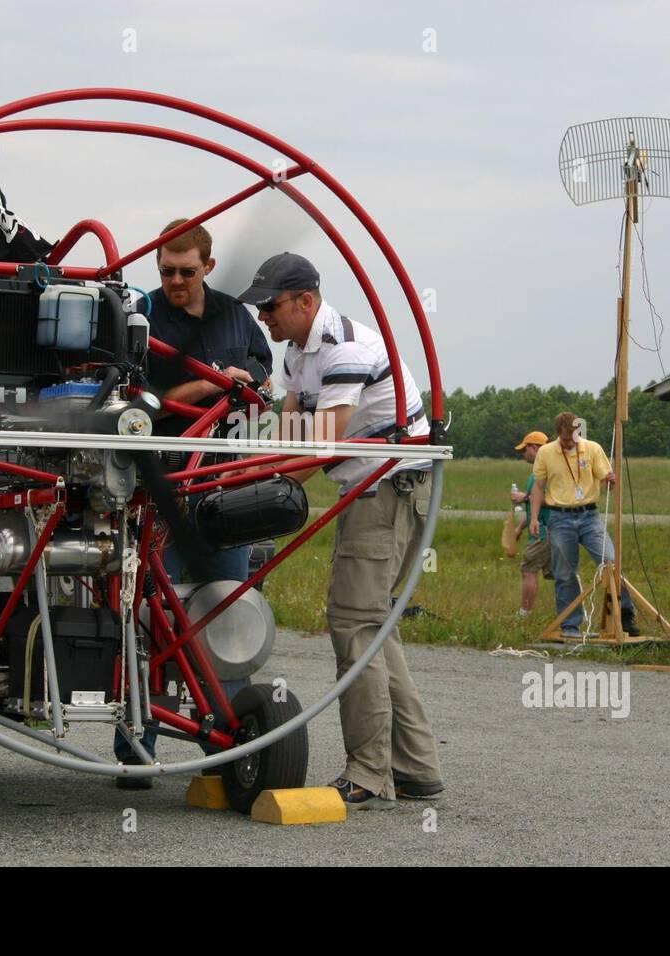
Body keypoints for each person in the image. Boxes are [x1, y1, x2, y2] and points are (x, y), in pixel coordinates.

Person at [237, 252, 443, 810]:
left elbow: (321, 444)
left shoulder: (345, 349)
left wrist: (246, 488)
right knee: (373, 623)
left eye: (270, 306)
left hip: (387, 491)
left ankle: (370, 774)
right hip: (370, 490)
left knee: (352, 622)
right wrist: (253, 468)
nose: (263, 318)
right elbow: (289, 434)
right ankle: (417, 765)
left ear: (306, 301)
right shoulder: (297, 354)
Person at [114, 219, 273, 788]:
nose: (176, 280)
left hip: (223, 487)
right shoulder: (142, 316)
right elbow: (139, 401)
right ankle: (137, 746)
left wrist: (246, 378)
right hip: (160, 487)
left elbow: (262, 368)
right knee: (151, 614)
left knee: (224, 608)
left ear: (208, 265)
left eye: (186, 271)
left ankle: (229, 741)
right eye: (166, 271)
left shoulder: (236, 315)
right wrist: (209, 385)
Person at [528, 412, 640, 638]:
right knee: (565, 573)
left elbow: (605, 478)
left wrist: (610, 481)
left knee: (611, 562)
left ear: (578, 432)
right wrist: (534, 518)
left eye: (573, 438)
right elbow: (538, 488)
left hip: (589, 516)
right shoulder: (546, 453)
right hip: (560, 518)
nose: (569, 443)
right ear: (558, 434)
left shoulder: (593, 448)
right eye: (565, 439)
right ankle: (570, 625)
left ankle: (625, 616)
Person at [511, 430, 553, 617]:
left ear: (534, 448)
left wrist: (524, 497)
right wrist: (519, 528)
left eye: (524, 449)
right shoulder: (536, 472)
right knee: (558, 574)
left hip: (545, 531)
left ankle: (524, 614)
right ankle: (574, 611)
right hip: (544, 530)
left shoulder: (548, 470)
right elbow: (534, 507)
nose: (522, 454)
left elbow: (552, 499)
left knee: (528, 570)